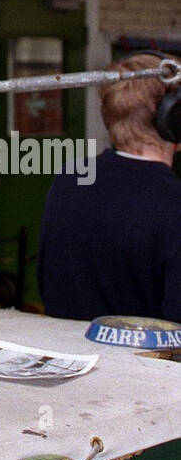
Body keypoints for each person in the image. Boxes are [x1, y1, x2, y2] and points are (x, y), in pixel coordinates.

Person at [38, 55, 181, 322]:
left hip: (67, 353)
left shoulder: (70, 180)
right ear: (173, 119)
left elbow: (48, 284)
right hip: (142, 363)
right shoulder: (174, 203)